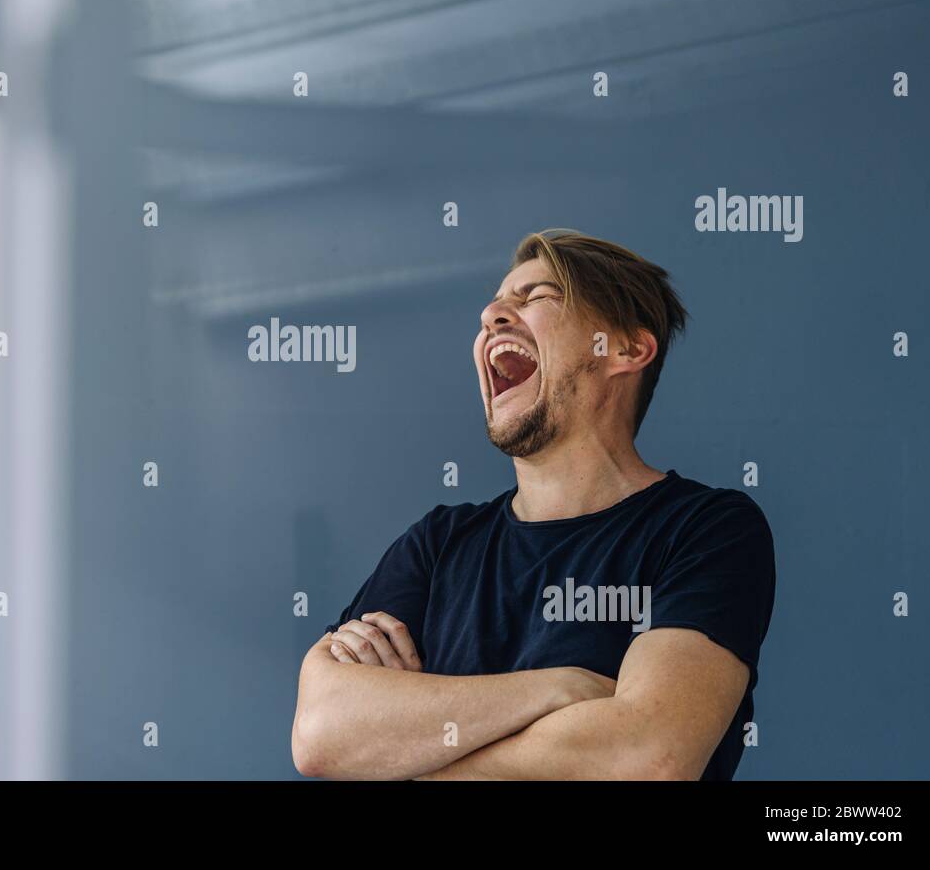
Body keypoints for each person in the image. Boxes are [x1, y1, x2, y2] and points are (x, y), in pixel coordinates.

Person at [291, 229, 775, 780]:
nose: (493, 314)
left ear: (626, 349)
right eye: (496, 303)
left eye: (536, 296)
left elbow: (645, 760)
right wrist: (560, 689)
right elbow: (320, 732)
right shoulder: (437, 543)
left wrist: (416, 758)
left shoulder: (705, 530)